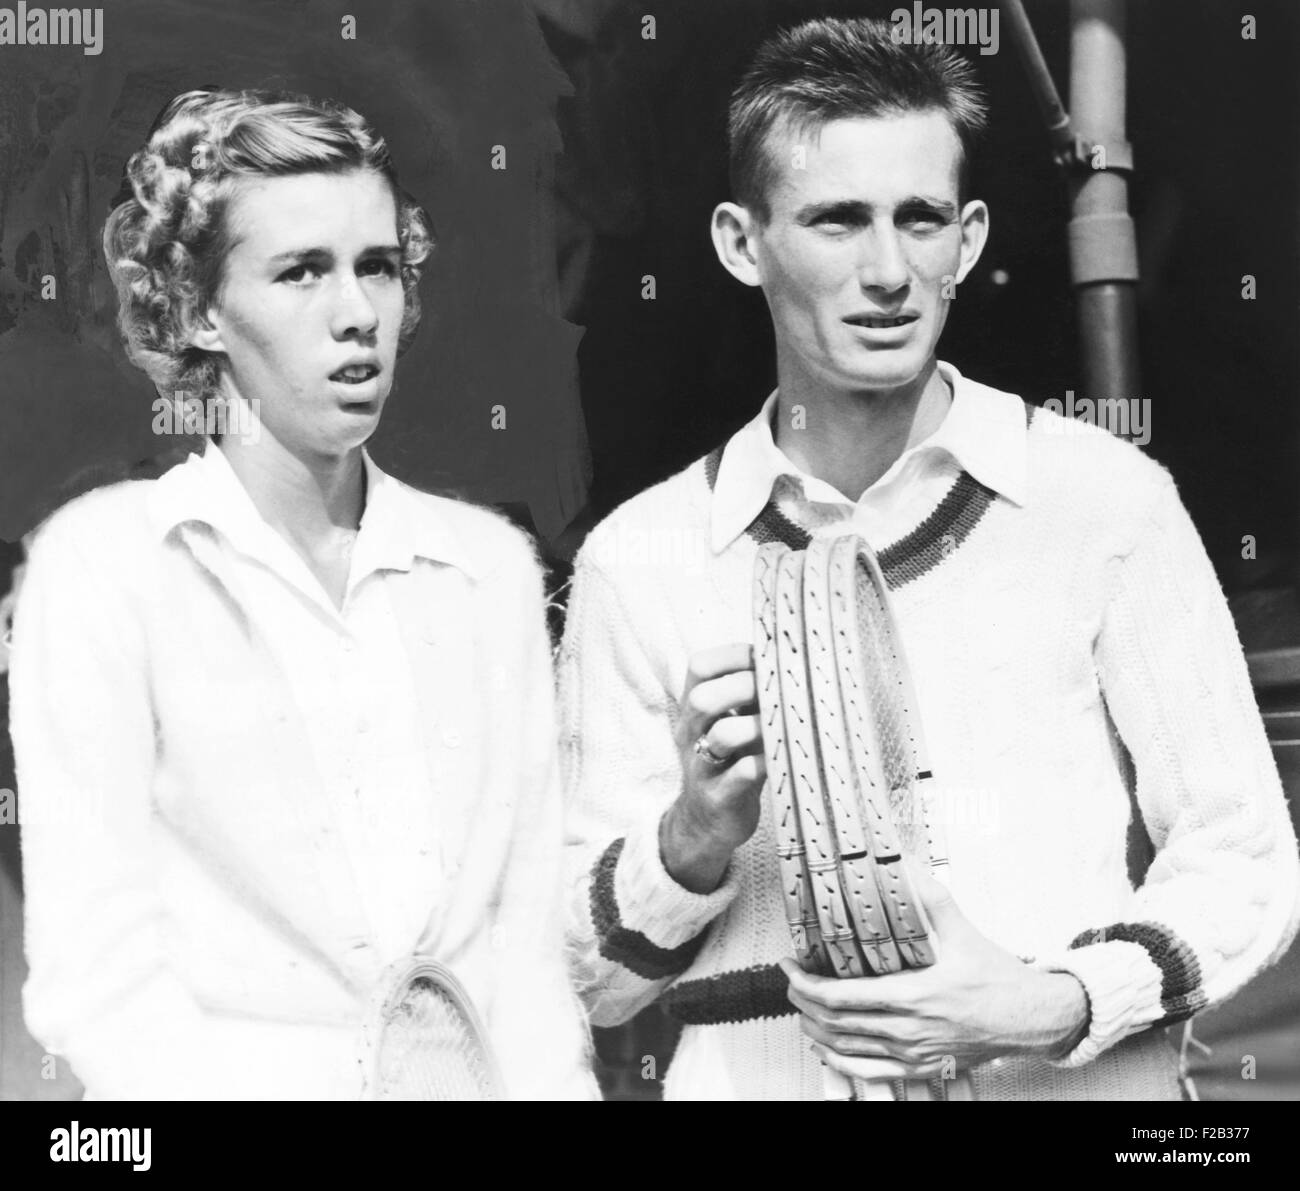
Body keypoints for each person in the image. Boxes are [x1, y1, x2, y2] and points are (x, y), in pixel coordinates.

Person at [559, 17, 1300, 1100]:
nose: (888, 271)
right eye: (835, 221)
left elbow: (1245, 858)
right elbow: (584, 980)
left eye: (920, 219)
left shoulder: (1100, 503)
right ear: (738, 240)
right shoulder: (642, 559)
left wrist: (1051, 1004)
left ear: (969, 237)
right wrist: (689, 840)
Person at [10, 88, 595, 1100]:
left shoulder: (489, 570)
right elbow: (96, 984)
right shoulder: (104, 569)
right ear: (198, 311)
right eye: (301, 272)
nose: (357, 313)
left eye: (379, 267)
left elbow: (530, 958)